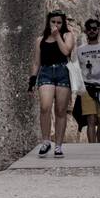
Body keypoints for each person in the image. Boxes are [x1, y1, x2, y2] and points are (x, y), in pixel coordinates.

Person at [30, 10, 75, 157]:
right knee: (45, 106)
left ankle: (59, 146)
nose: (56, 25)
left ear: (63, 23)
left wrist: (57, 37)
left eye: (59, 22)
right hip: (46, 72)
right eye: (53, 22)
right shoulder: (40, 40)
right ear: (48, 22)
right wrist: (32, 79)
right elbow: (37, 62)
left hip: (62, 72)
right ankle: (46, 141)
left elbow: (66, 52)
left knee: (61, 110)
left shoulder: (67, 35)